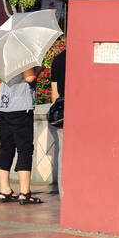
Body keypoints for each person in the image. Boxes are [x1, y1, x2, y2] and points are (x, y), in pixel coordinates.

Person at [0, 67, 43, 205]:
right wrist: (38, 70)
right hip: (20, 107)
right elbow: (29, 78)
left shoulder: (2, 59)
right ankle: (25, 192)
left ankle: (5, 190)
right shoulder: (22, 57)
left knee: (5, 147)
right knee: (24, 148)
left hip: (2, 107)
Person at [50, 45, 66, 197]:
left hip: (63, 113)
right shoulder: (84, 57)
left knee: (63, 154)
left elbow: (54, 96)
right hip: (83, 111)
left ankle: (63, 193)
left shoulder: (58, 59)